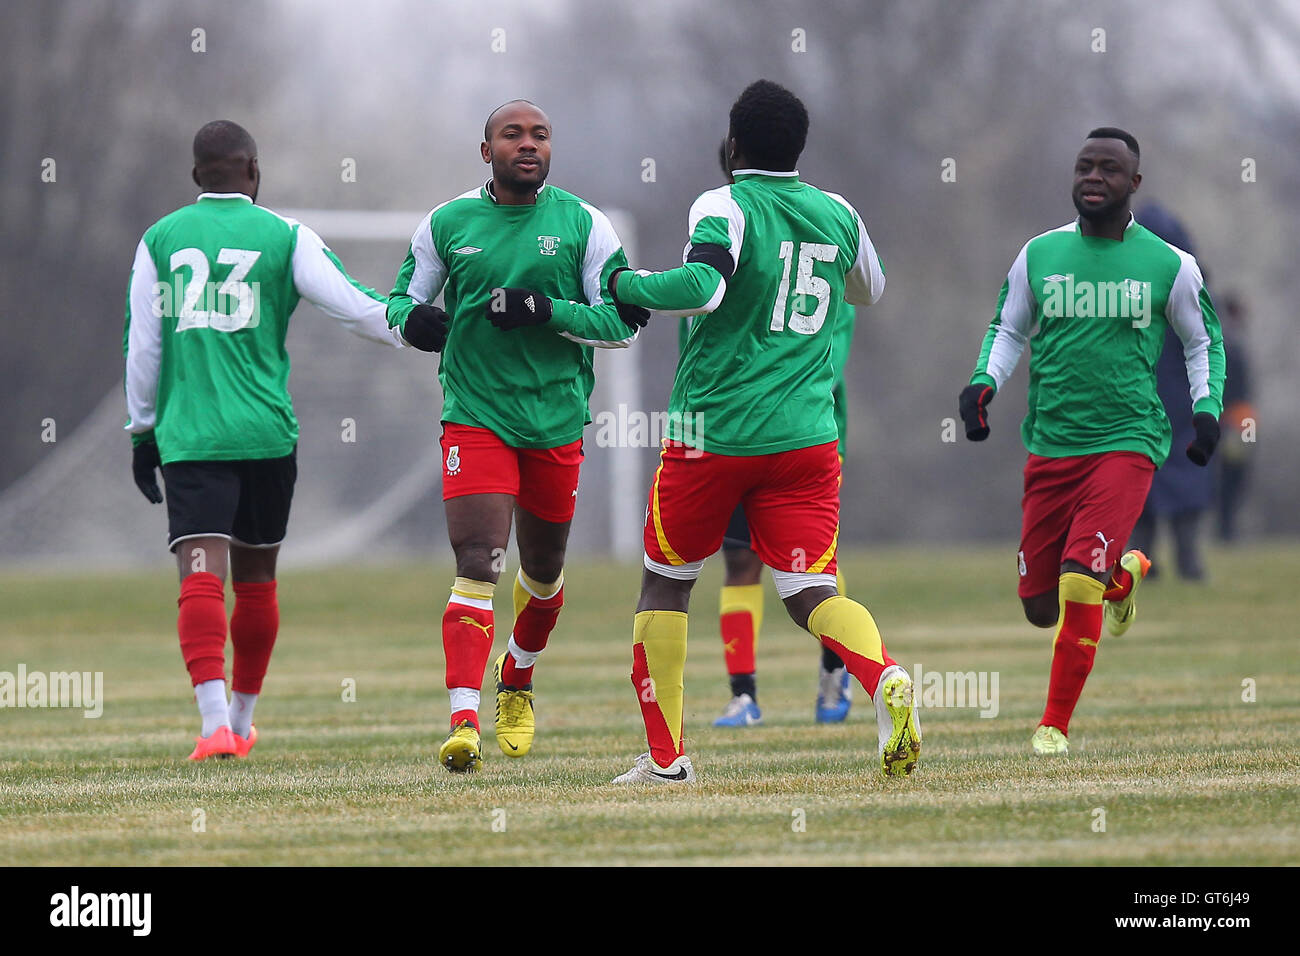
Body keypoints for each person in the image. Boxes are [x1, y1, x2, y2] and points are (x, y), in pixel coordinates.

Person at [498, 79, 918, 782]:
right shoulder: (838, 211)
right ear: (800, 145)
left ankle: (667, 760)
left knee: (666, 584)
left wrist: (625, 285)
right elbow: (869, 287)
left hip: (713, 432)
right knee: (811, 591)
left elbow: (704, 288)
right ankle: (883, 679)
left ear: (732, 143)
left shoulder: (724, 203)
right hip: (807, 437)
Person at [125, 120, 416, 760]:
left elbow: (143, 348)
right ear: (253, 171)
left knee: (200, 577)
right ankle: (243, 718)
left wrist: (142, 430)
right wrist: (414, 325)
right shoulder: (286, 235)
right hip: (265, 434)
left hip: (193, 435)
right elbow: (351, 303)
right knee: (257, 582)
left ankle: (212, 728)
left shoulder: (159, 240)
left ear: (196, 175)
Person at [388, 99, 647, 773]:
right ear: (487, 152)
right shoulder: (446, 224)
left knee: (543, 574)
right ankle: (463, 722)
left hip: (555, 420)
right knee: (479, 559)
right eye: (513, 135)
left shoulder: (583, 225)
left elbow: (622, 323)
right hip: (474, 416)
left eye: (539, 135)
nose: (528, 145)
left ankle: (520, 676)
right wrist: (412, 323)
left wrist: (543, 311)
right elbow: (401, 300)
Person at [959, 128, 1226, 755]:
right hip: (1052, 446)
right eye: (1084, 167)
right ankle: (1124, 577)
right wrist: (981, 384)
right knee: (1038, 606)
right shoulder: (1039, 255)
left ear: (1133, 184)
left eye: (1109, 169)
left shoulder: (1169, 265)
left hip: (1128, 441)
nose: (1094, 177)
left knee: (1079, 581)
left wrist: (1207, 409)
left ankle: (1053, 726)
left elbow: (1202, 342)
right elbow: (1007, 329)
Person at [687, 139, 857, 729]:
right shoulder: (716, 259)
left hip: (789, 433)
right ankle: (746, 694)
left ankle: (836, 678)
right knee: (744, 567)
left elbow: (832, 357)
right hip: (745, 436)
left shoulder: (811, 254)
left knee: (814, 571)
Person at [1127, 203, 1215, 580]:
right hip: (1175, 403)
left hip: (1144, 404)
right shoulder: (1192, 287)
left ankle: (1141, 563)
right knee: (1180, 478)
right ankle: (1181, 561)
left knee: (1137, 479)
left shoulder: (1120, 290)